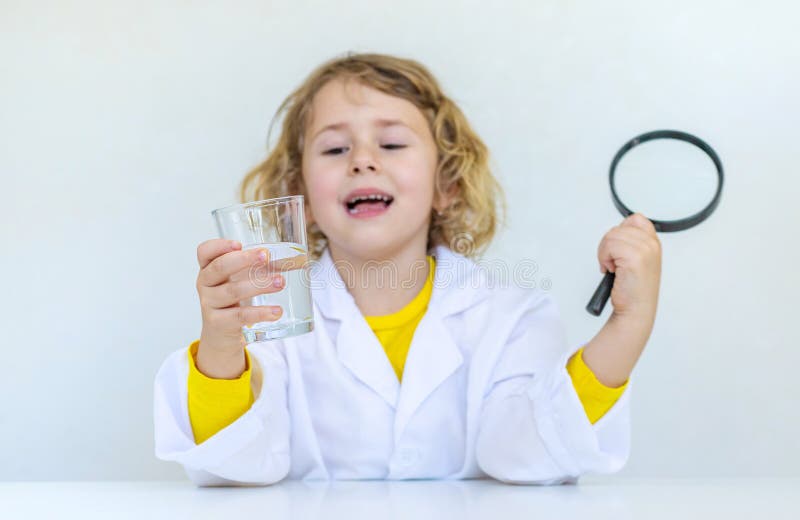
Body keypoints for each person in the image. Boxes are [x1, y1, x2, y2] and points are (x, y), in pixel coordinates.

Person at [153, 52, 662, 486]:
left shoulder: (514, 317)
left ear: (448, 185)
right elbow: (233, 467)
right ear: (302, 198)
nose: (362, 161)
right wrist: (221, 342)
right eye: (334, 148)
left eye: (392, 144)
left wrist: (629, 324)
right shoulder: (271, 323)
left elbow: (528, 452)